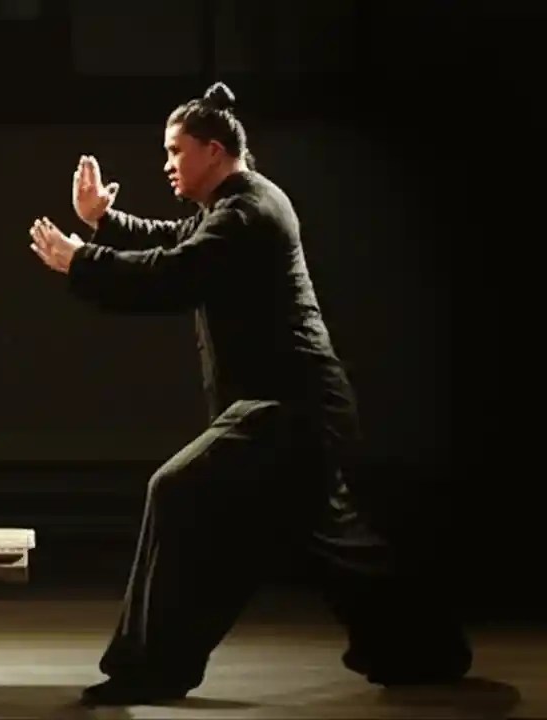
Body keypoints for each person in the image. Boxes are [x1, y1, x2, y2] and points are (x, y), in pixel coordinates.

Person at [27, 82, 471, 706]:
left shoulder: (249, 212)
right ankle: (427, 651)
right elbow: (175, 240)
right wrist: (104, 223)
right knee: (335, 546)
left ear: (213, 151)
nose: (167, 164)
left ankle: (149, 670)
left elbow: (175, 273)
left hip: (289, 410)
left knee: (176, 492)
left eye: (175, 150)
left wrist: (83, 260)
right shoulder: (232, 206)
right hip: (297, 412)